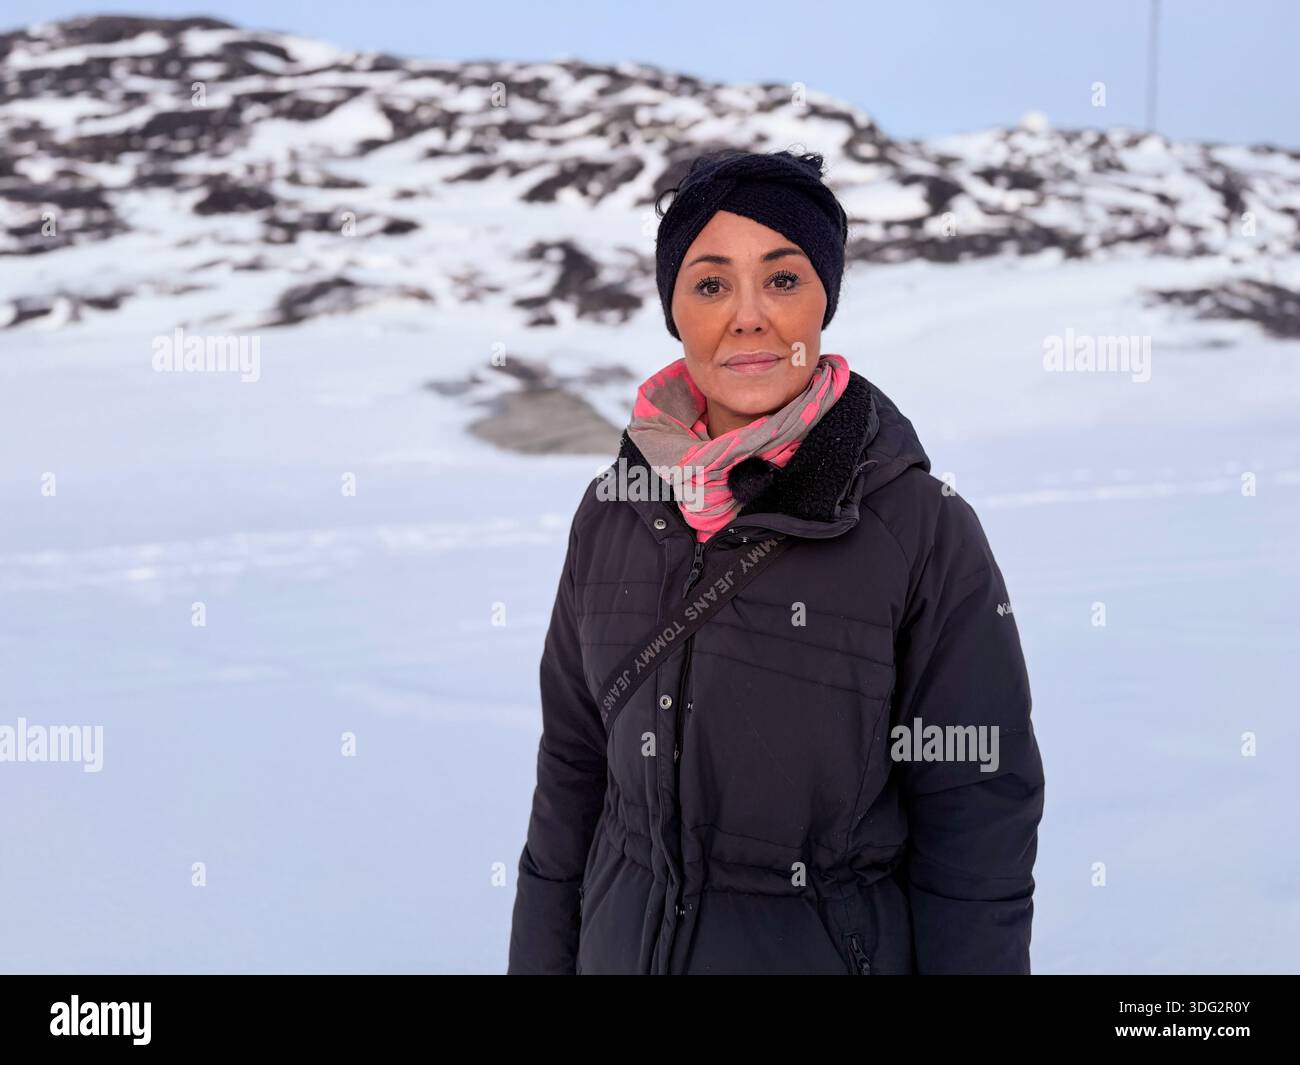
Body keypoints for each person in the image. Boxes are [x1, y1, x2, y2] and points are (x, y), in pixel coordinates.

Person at [508, 148, 1045, 974]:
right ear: (675, 309)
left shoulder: (920, 532)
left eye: (784, 279)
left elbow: (978, 830)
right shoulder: (610, 512)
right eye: (712, 283)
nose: (749, 316)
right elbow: (572, 782)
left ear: (824, 298)